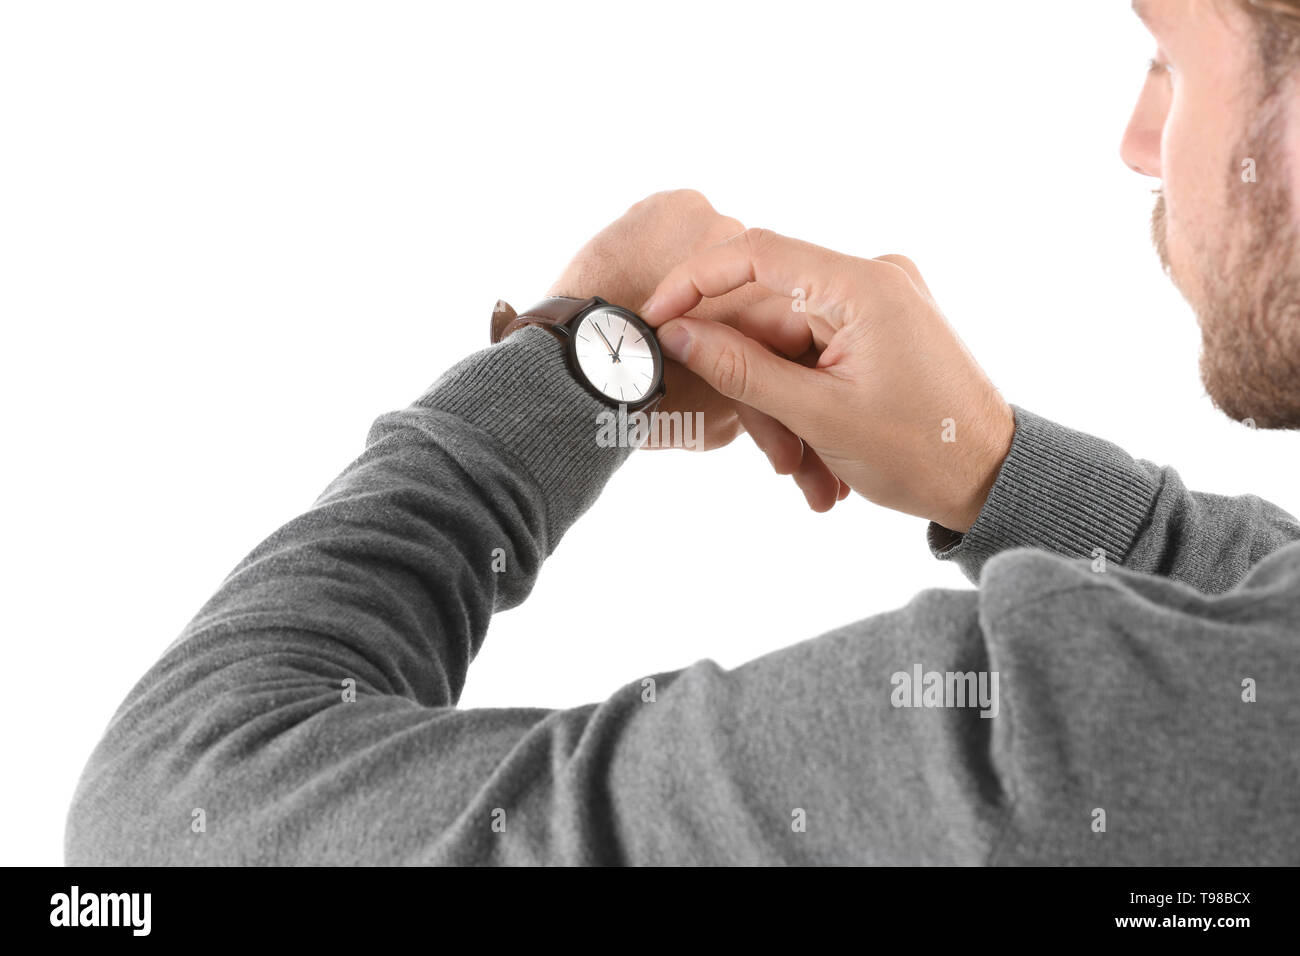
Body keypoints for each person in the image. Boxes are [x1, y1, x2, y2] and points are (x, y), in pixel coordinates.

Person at [66, 0, 1300, 865]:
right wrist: (989, 466)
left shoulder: (1056, 751)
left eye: (1170, 55)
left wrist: (560, 372)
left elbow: (172, 820)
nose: (1137, 141)